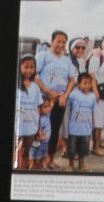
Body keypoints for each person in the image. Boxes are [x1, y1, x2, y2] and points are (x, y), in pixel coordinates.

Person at [36, 31, 76, 168]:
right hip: (44, 99)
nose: (61, 44)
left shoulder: (67, 59)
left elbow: (72, 80)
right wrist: (48, 91)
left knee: (54, 130)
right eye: (58, 41)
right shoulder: (43, 55)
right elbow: (35, 76)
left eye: (64, 42)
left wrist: (65, 95)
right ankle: (36, 161)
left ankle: (49, 159)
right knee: (41, 129)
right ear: (52, 41)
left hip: (60, 100)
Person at [65, 71, 98, 172]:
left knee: (83, 148)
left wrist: (93, 125)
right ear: (79, 84)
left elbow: (93, 112)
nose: (87, 85)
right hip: (74, 128)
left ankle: (81, 164)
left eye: (89, 83)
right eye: (84, 83)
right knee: (72, 148)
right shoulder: (73, 94)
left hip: (86, 129)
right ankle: (70, 165)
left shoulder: (92, 97)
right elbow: (68, 107)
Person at [17, 55, 44, 171]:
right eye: (25, 67)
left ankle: (24, 171)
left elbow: (38, 108)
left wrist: (38, 127)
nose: (28, 70)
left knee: (26, 151)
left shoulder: (35, 87)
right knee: (16, 151)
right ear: (19, 67)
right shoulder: (16, 86)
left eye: (31, 67)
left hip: (31, 126)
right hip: (17, 126)